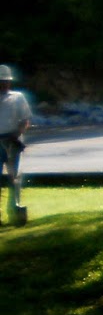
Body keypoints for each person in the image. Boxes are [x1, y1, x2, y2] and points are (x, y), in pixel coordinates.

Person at [0, 63, 31, 226]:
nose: (4, 84)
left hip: (12, 141)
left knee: (14, 179)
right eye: (1, 81)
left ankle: (14, 209)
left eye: (6, 81)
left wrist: (17, 134)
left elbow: (25, 120)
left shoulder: (17, 97)